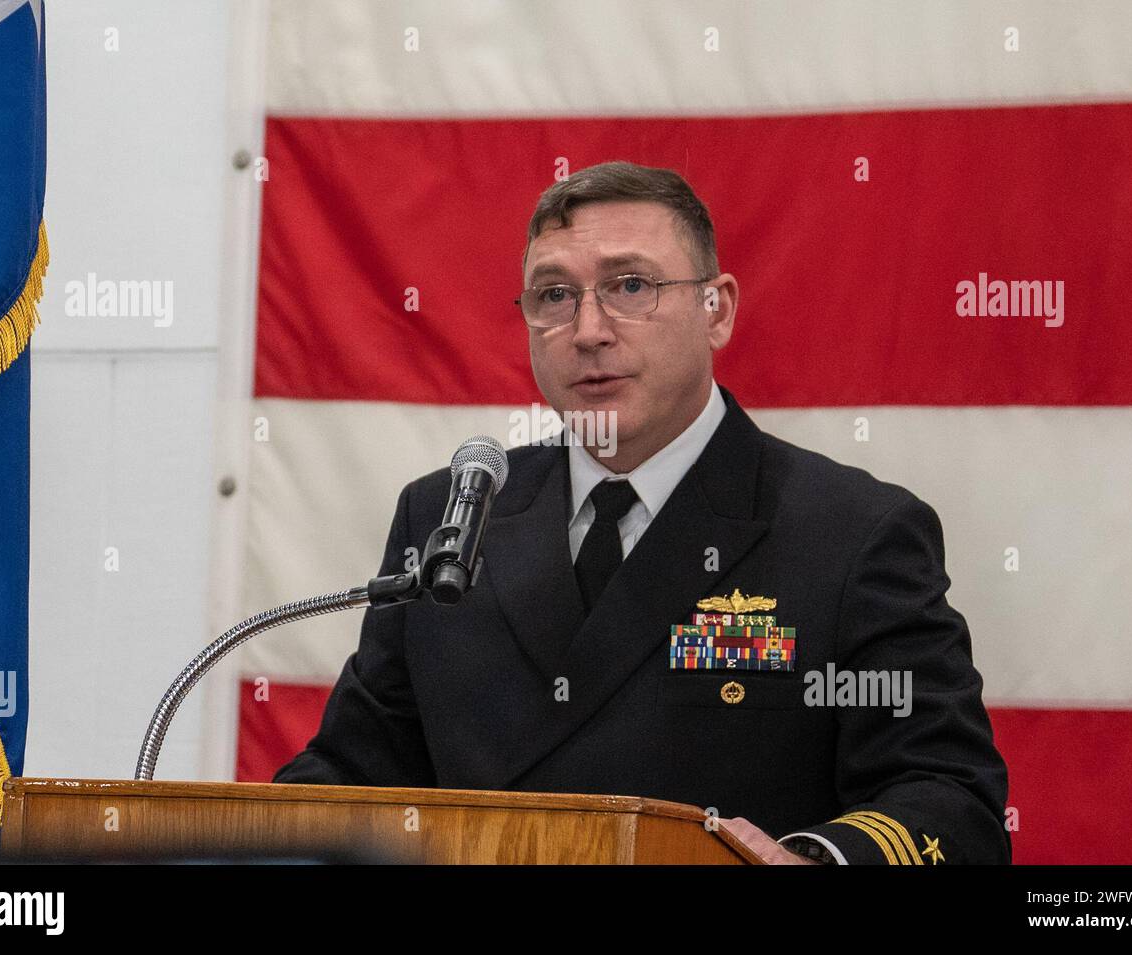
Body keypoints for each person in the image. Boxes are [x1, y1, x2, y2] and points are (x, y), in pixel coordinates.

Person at [274, 160, 1011, 865]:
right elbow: (353, 775)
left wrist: (814, 857)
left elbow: (950, 797)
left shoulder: (851, 533)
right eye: (554, 295)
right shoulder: (451, 517)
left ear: (716, 309)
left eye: (630, 285)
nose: (588, 328)